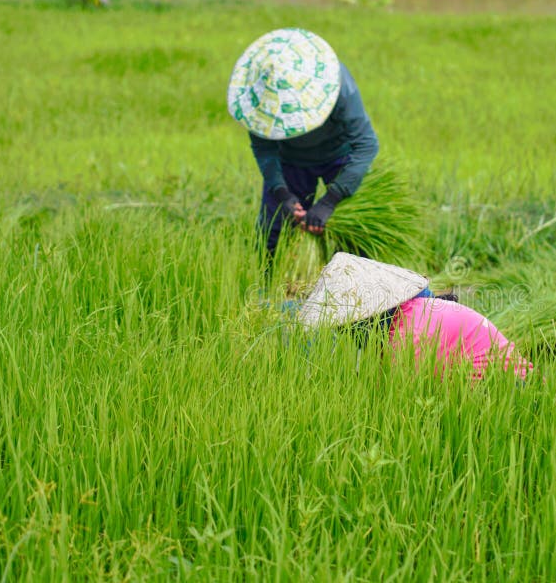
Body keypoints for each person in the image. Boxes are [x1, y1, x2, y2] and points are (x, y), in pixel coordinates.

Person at [227, 28, 379, 255]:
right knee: (272, 235)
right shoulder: (258, 100)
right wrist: (281, 192)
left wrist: (331, 199)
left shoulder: (339, 87)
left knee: (356, 238)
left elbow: (367, 144)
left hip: (339, 154)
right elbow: (264, 148)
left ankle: (353, 284)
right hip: (291, 161)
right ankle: (269, 285)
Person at [298, 253, 531, 381]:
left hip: (506, 390)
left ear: (367, 318)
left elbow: (400, 400)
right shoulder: (407, 312)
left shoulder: (408, 334)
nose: (347, 334)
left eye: (348, 327)